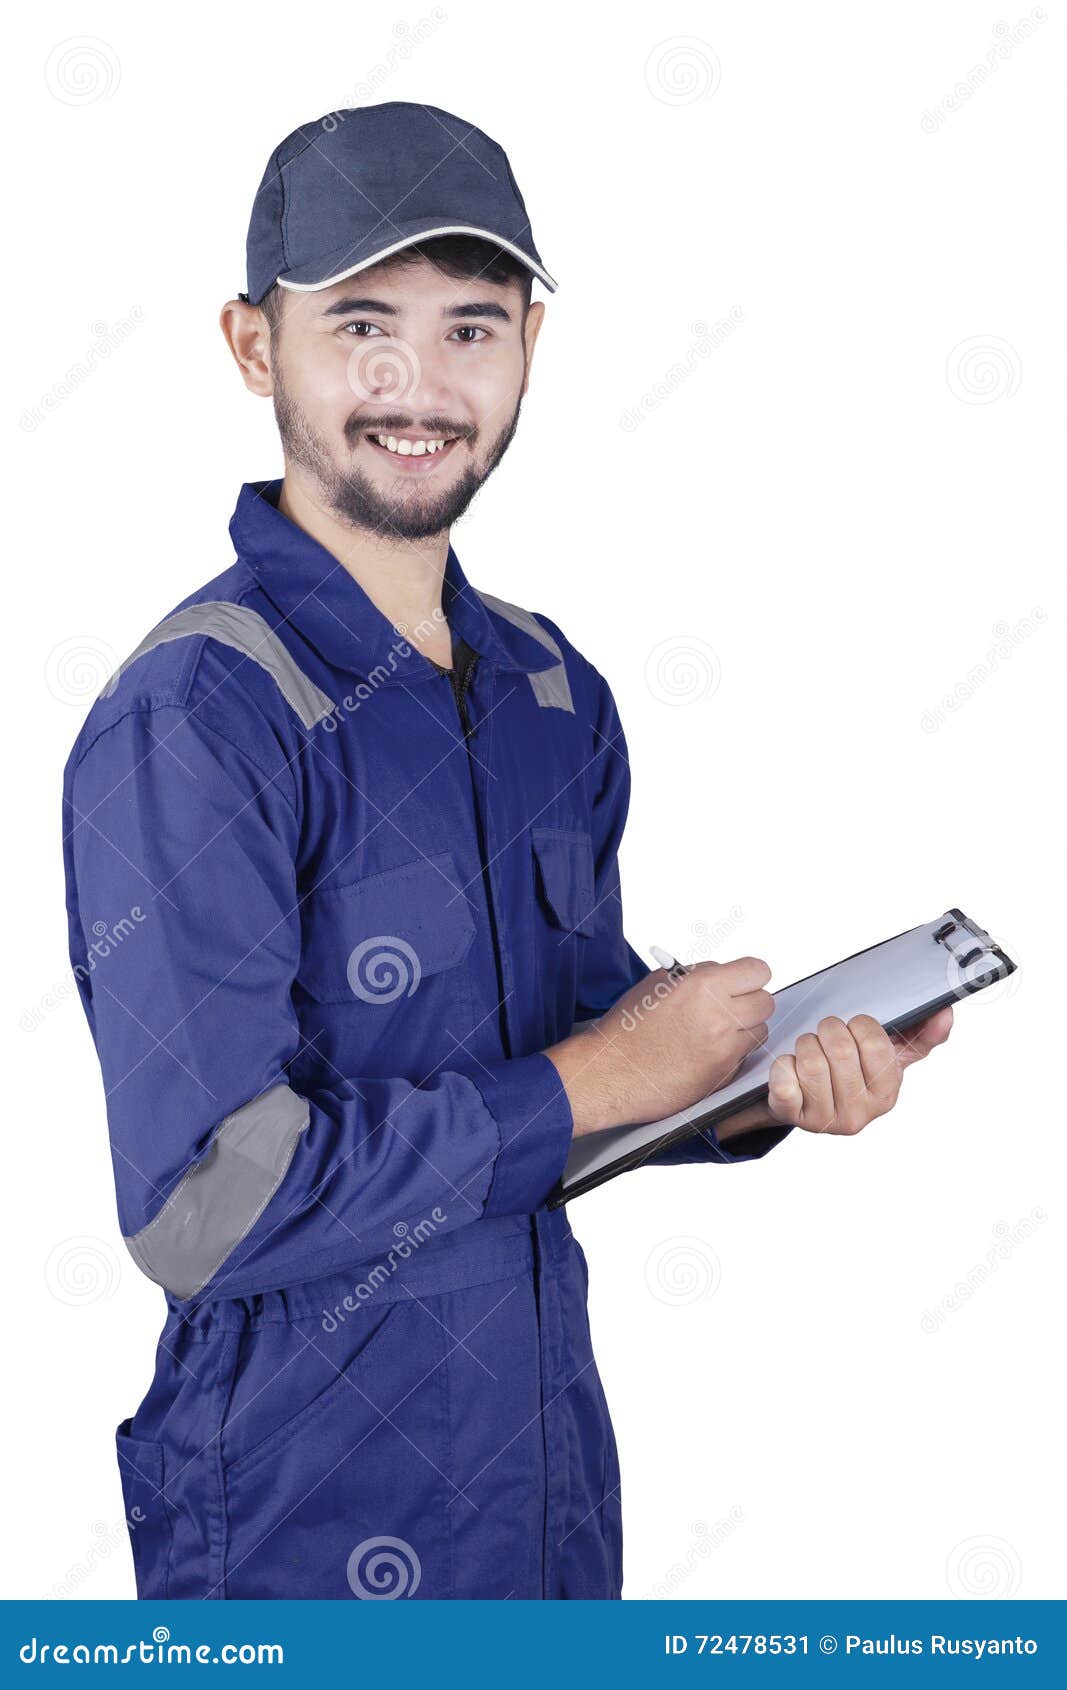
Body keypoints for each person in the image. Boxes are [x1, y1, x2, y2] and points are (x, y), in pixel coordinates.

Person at [61, 101, 952, 1601]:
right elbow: (202, 1203)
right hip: (297, 1534)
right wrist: (608, 1072)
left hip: (544, 1515)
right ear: (251, 344)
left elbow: (573, 1076)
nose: (420, 385)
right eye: (361, 325)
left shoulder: (552, 692)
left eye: (473, 327)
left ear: (532, 342)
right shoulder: (197, 715)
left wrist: (750, 1085)